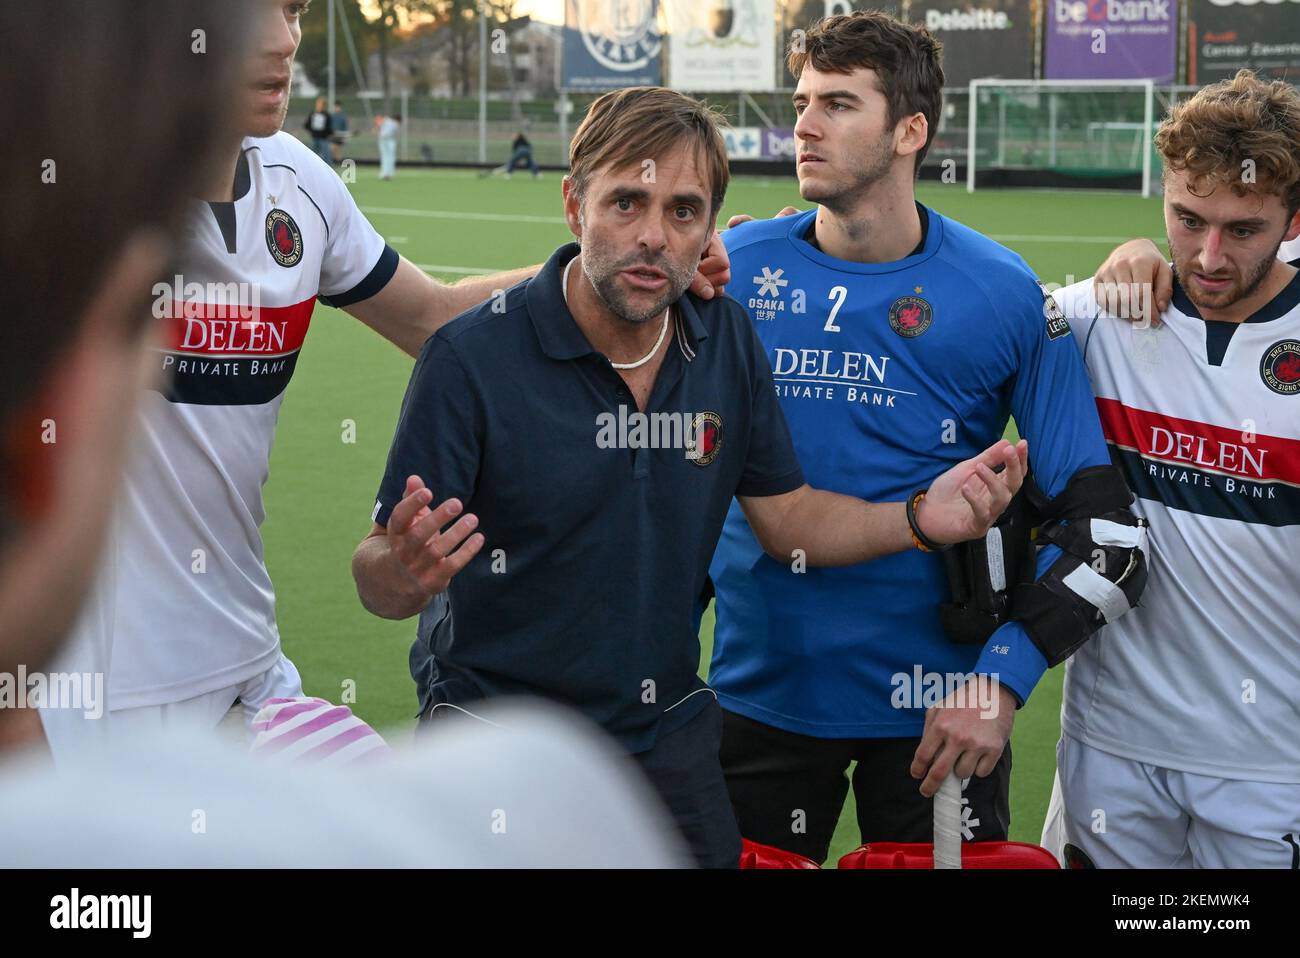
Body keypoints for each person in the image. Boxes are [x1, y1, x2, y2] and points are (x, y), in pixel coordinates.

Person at [0, 0, 690, 873]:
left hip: (243, 674)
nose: (284, 39)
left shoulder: (300, 182)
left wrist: (599, 265)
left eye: (292, 11)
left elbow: (433, 319)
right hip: (75, 701)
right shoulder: (73, 195)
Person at [351, 85, 1030, 867]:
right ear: (575, 205)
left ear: (711, 228)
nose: (652, 236)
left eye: (682, 211)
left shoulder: (727, 339)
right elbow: (376, 578)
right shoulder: (471, 358)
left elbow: (791, 520)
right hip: (500, 736)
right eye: (626, 203)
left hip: (662, 728)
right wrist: (404, 572)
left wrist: (918, 515)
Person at [704, 10, 1146, 866]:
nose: (803, 123)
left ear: (912, 130)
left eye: (838, 103)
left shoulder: (1004, 291)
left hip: (942, 723)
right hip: (753, 704)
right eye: (801, 100)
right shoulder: (735, 268)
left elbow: (1105, 535)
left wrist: (1002, 679)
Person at [1040, 70, 1300, 868]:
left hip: (1272, 768)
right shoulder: (1098, 319)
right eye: (1187, 219)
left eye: (1243, 229)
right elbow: (945, 320)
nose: (1209, 255)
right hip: (1110, 753)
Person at [304, 95, 333, 165]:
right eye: (318, 103)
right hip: (314, 138)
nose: (319, 105)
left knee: (326, 157)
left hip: (323, 139)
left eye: (321, 104)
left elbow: (329, 127)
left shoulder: (327, 115)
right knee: (312, 157)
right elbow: (307, 125)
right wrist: (313, 131)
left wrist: (326, 134)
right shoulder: (313, 114)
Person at [377, 112, 400, 180]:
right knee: (390, 157)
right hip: (390, 140)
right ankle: (388, 173)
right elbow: (395, 133)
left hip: (382, 139)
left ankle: (384, 173)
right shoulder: (396, 124)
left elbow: (379, 125)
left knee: (384, 156)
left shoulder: (386, 120)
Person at [330, 99, 349, 165]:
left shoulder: (343, 117)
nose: (337, 108)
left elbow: (345, 127)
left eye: (338, 107)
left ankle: (338, 164)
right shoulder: (332, 116)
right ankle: (332, 163)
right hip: (334, 136)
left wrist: (345, 137)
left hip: (340, 136)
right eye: (336, 107)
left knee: (338, 151)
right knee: (332, 149)